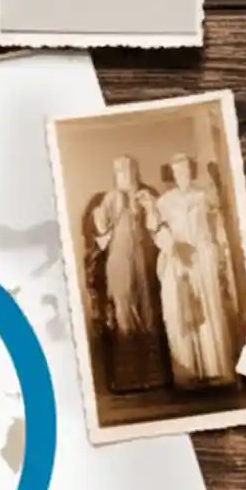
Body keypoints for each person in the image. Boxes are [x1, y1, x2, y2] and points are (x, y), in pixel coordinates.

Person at [152, 153, 240, 388]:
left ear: (191, 171)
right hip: (178, 256)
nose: (183, 174)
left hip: (202, 256)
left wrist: (217, 252)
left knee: (208, 309)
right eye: (177, 170)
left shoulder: (203, 197)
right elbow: (157, 231)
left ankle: (214, 369)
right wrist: (172, 247)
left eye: (186, 169)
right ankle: (189, 373)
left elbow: (216, 226)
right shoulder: (164, 202)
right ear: (172, 173)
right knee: (183, 309)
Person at [87, 155, 171, 393]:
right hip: (120, 262)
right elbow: (101, 232)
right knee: (123, 313)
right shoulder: (110, 198)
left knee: (148, 313)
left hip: (144, 263)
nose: (124, 172)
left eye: (128, 167)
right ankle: (128, 377)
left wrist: (148, 206)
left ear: (136, 169)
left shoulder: (146, 194)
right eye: (119, 168)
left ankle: (154, 374)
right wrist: (103, 211)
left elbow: (157, 229)